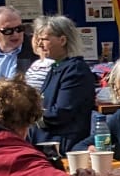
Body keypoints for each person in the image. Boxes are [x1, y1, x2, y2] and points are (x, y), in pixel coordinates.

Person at [26, 16, 95, 154]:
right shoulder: (57, 67)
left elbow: (61, 113)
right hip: (46, 143)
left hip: (62, 146)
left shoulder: (75, 70)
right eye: (38, 39)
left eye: (44, 39)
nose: (39, 44)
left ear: (62, 40)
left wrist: (26, 115)